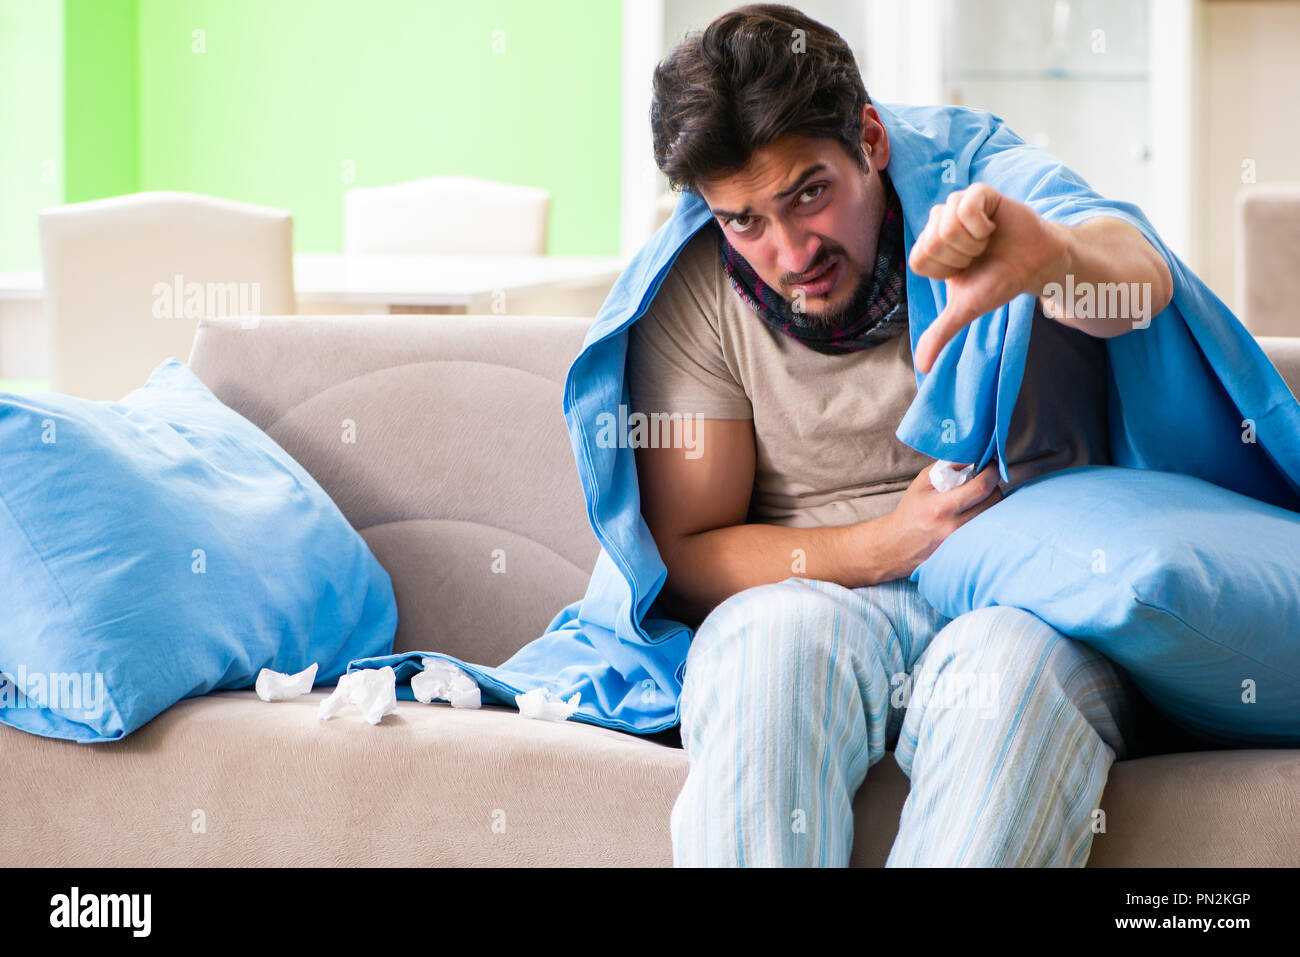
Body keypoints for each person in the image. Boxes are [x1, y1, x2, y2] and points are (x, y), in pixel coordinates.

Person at [630, 3, 1174, 866]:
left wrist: (1051, 258)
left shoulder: (978, 184)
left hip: (1024, 601)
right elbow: (688, 552)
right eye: (745, 220)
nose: (789, 250)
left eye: (810, 192)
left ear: (872, 140)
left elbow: (1143, 277)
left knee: (1014, 677)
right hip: (819, 600)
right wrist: (889, 542)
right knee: (765, 650)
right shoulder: (697, 291)